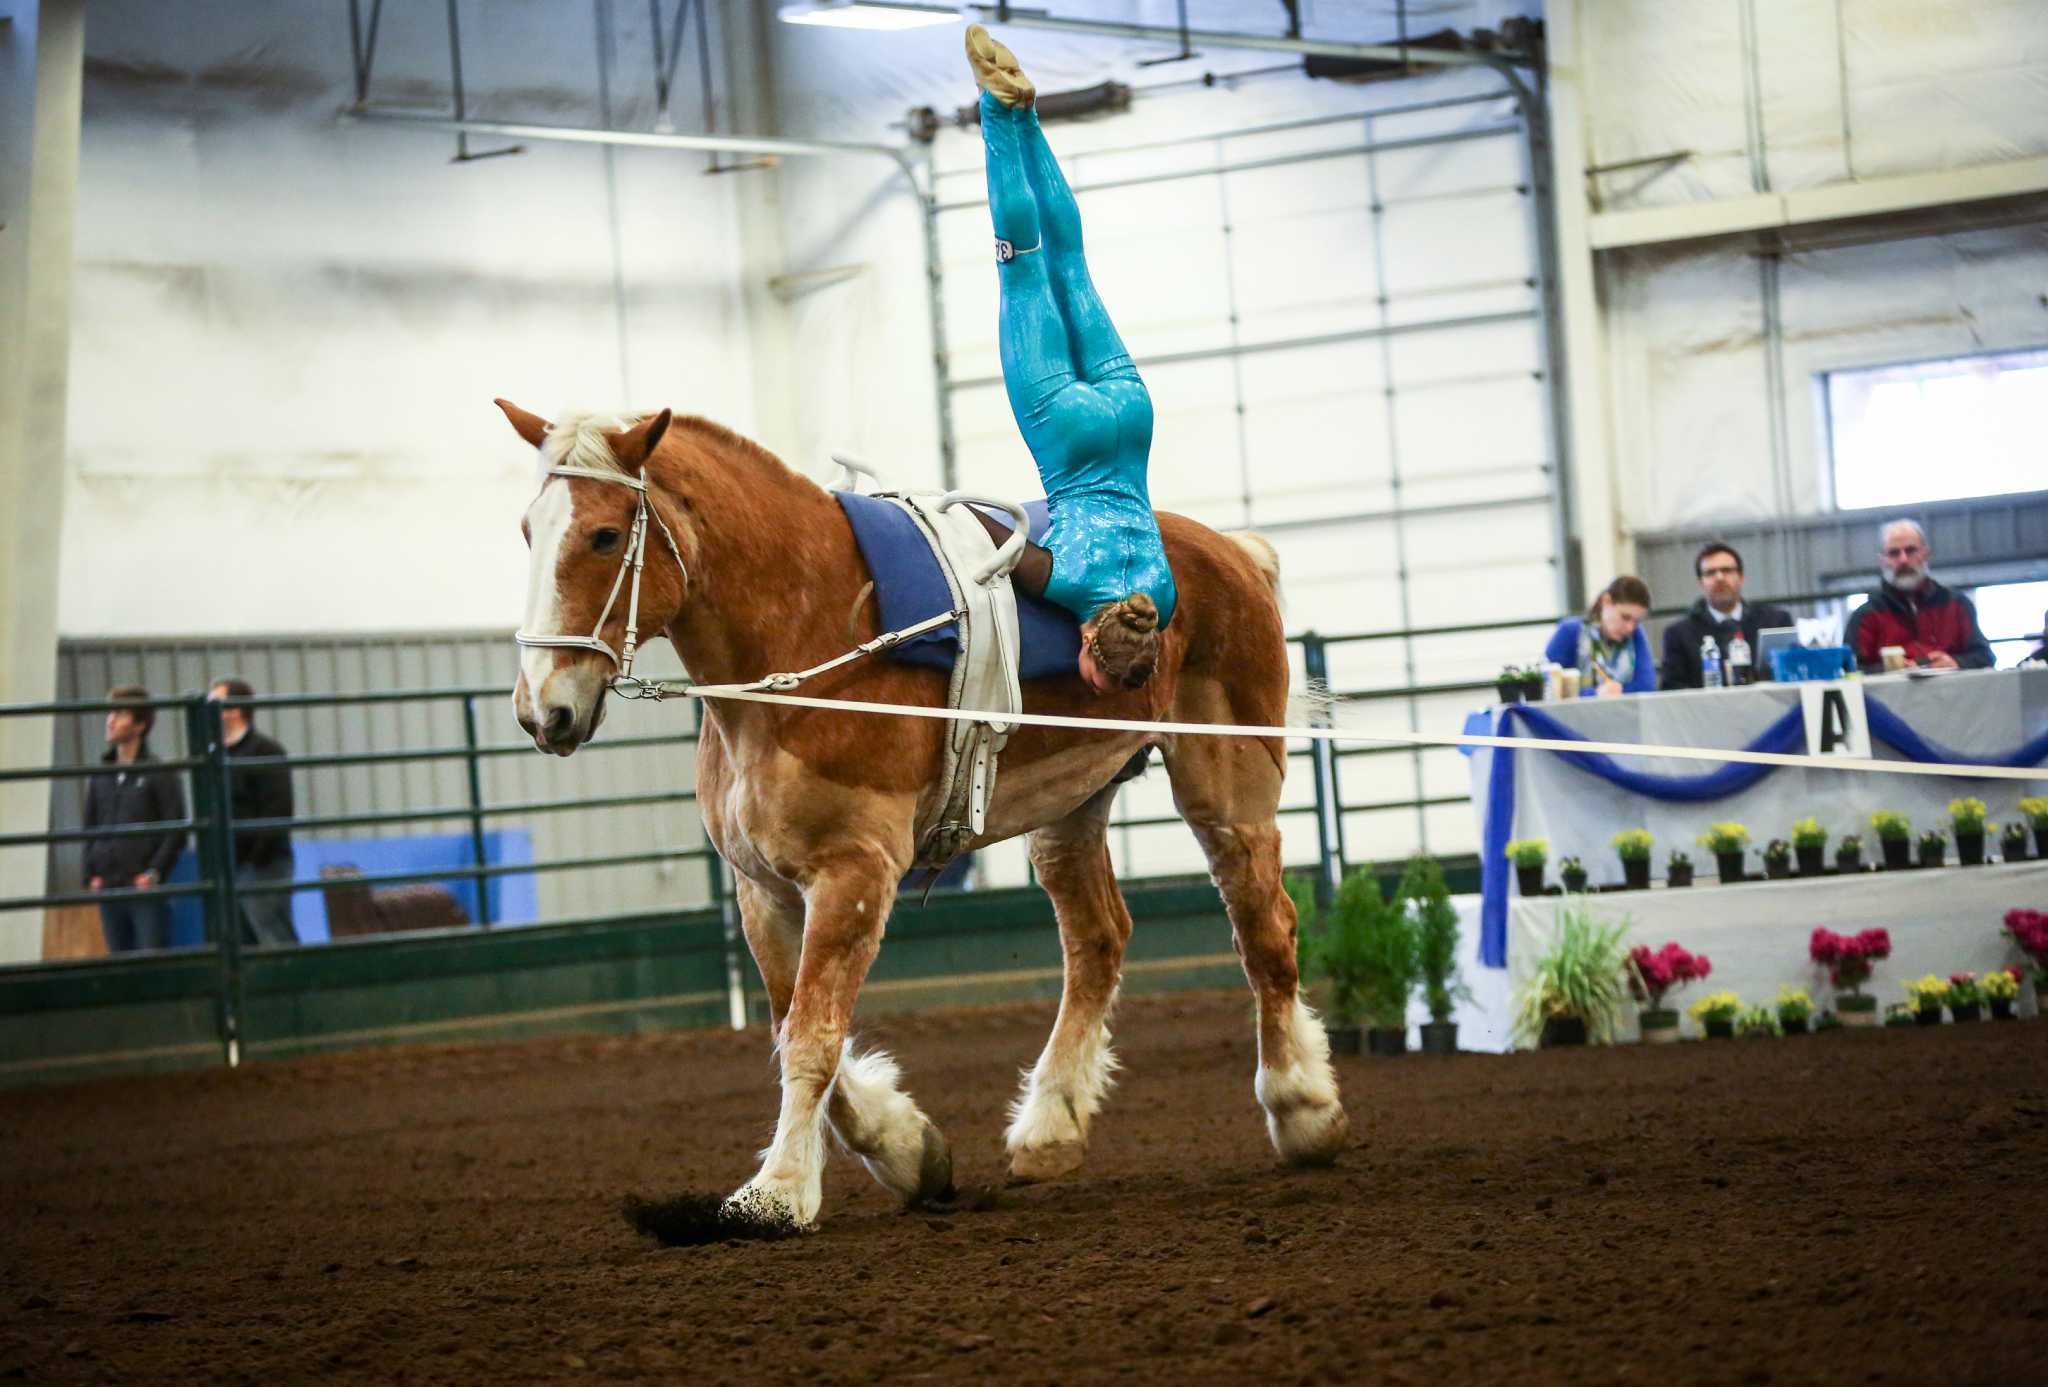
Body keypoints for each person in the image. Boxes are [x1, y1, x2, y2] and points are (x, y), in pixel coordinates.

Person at [962, 26, 1175, 696]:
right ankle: (999, 113)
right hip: (1067, 434)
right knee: (1022, 268)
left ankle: (1027, 114)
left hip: (1132, 417)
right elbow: (987, 530)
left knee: (1073, 265)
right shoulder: (1067, 583)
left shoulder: (1159, 598)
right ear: (1089, 648)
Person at [81, 685, 187, 953]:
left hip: (142, 887)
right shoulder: (100, 774)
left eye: (120, 713)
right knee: (119, 961)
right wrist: (90, 873)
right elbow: (89, 826)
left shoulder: (160, 773)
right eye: (110, 713)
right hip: (108, 884)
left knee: (151, 958)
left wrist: (154, 873)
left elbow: (176, 829)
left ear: (139, 725)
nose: (111, 720)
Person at [208, 677, 299, 945]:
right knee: (241, 942)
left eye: (215, 704)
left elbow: (278, 808)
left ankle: (293, 985)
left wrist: (255, 857)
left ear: (234, 710)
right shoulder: (216, 756)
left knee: (273, 934)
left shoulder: (265, 751)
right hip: (231, 865)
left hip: (263, 865)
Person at [1843, 519, 1993, 673]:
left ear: (1925, 554)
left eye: (1910, 550)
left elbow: (1985, 657)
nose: (1903, 560)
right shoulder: (1866, 617)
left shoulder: (1957, 605)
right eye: (1894, 553)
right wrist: (1888, 670)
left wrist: (1956, 662)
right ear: (1883, 560)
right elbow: (1848, 670)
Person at [1658, 542, 1794, 689]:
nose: (1719, 578)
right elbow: (1672, 689)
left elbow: (1793, 675)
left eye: (1727, 570)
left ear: (1741, 577)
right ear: (1700, 582)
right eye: (1710, 573)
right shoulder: (1679, 634)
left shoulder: (1775, 621)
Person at [1545, 577, 1655, 697]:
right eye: (1625, 617)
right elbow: (1549, 687)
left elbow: (1647, 686)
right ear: (1606, 601)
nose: (1630, 627)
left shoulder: (1636, 633)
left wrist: (1619, 690)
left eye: (1637, 621)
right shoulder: (1570, 631)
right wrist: (1595, 693)